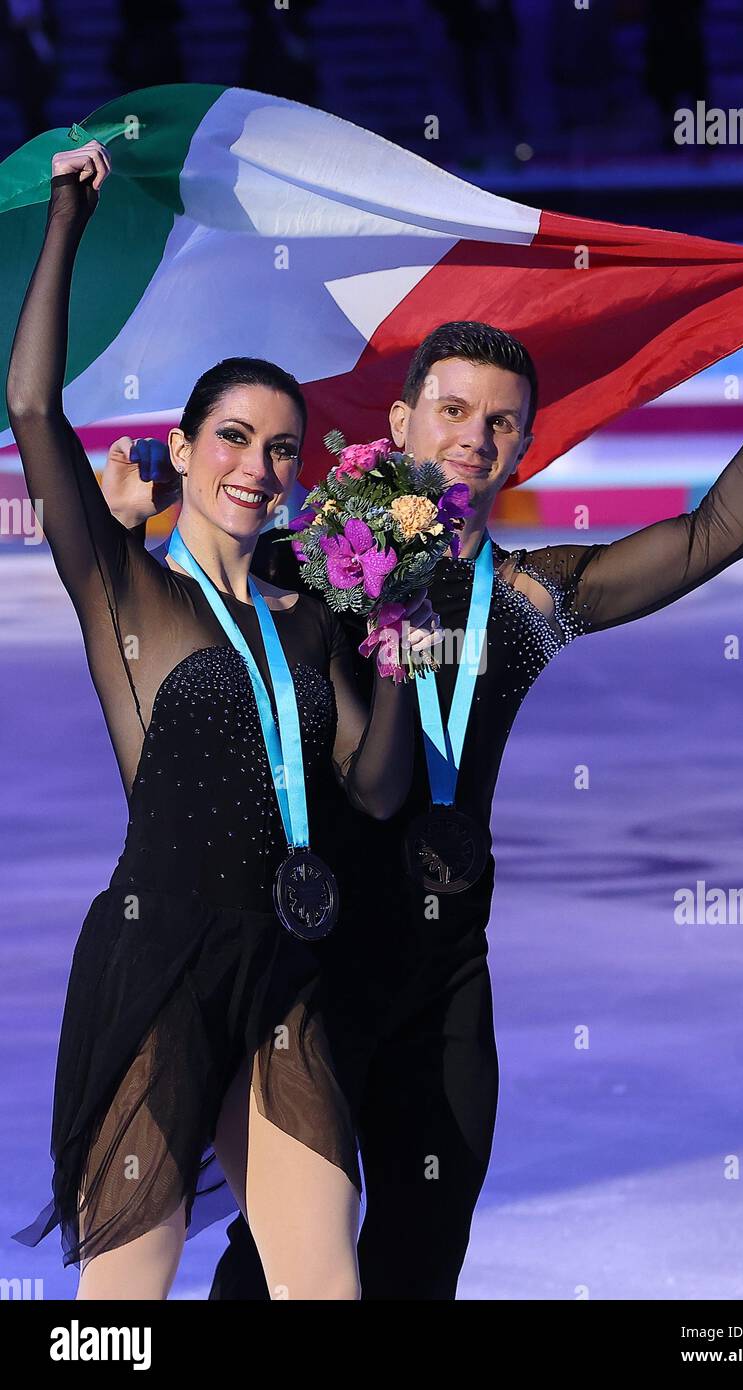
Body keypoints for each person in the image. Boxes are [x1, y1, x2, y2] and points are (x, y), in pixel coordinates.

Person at [105, 267, 743, 1298]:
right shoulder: (310, 569)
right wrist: (135, 512)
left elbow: (706, 537)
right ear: (401, 419)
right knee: (283, 1261)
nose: (472, 434)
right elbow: (183, 560)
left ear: (522, 445)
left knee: (421, 1248)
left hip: (443, 976)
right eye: (452, 410)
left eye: (501, 422)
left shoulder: (526, 598)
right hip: (311, 974)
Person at [7, 139, 437, 1301]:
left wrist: (393, 645)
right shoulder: (129, 588)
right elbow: (34, 407)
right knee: (122, 1311)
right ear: (186, 449)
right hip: (159, 965)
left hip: (279, 969)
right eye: (235, 438)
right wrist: (67, 219)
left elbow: (382, 788)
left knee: (323, 1285)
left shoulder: (305, 621)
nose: (259, 465)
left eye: (282, 448)